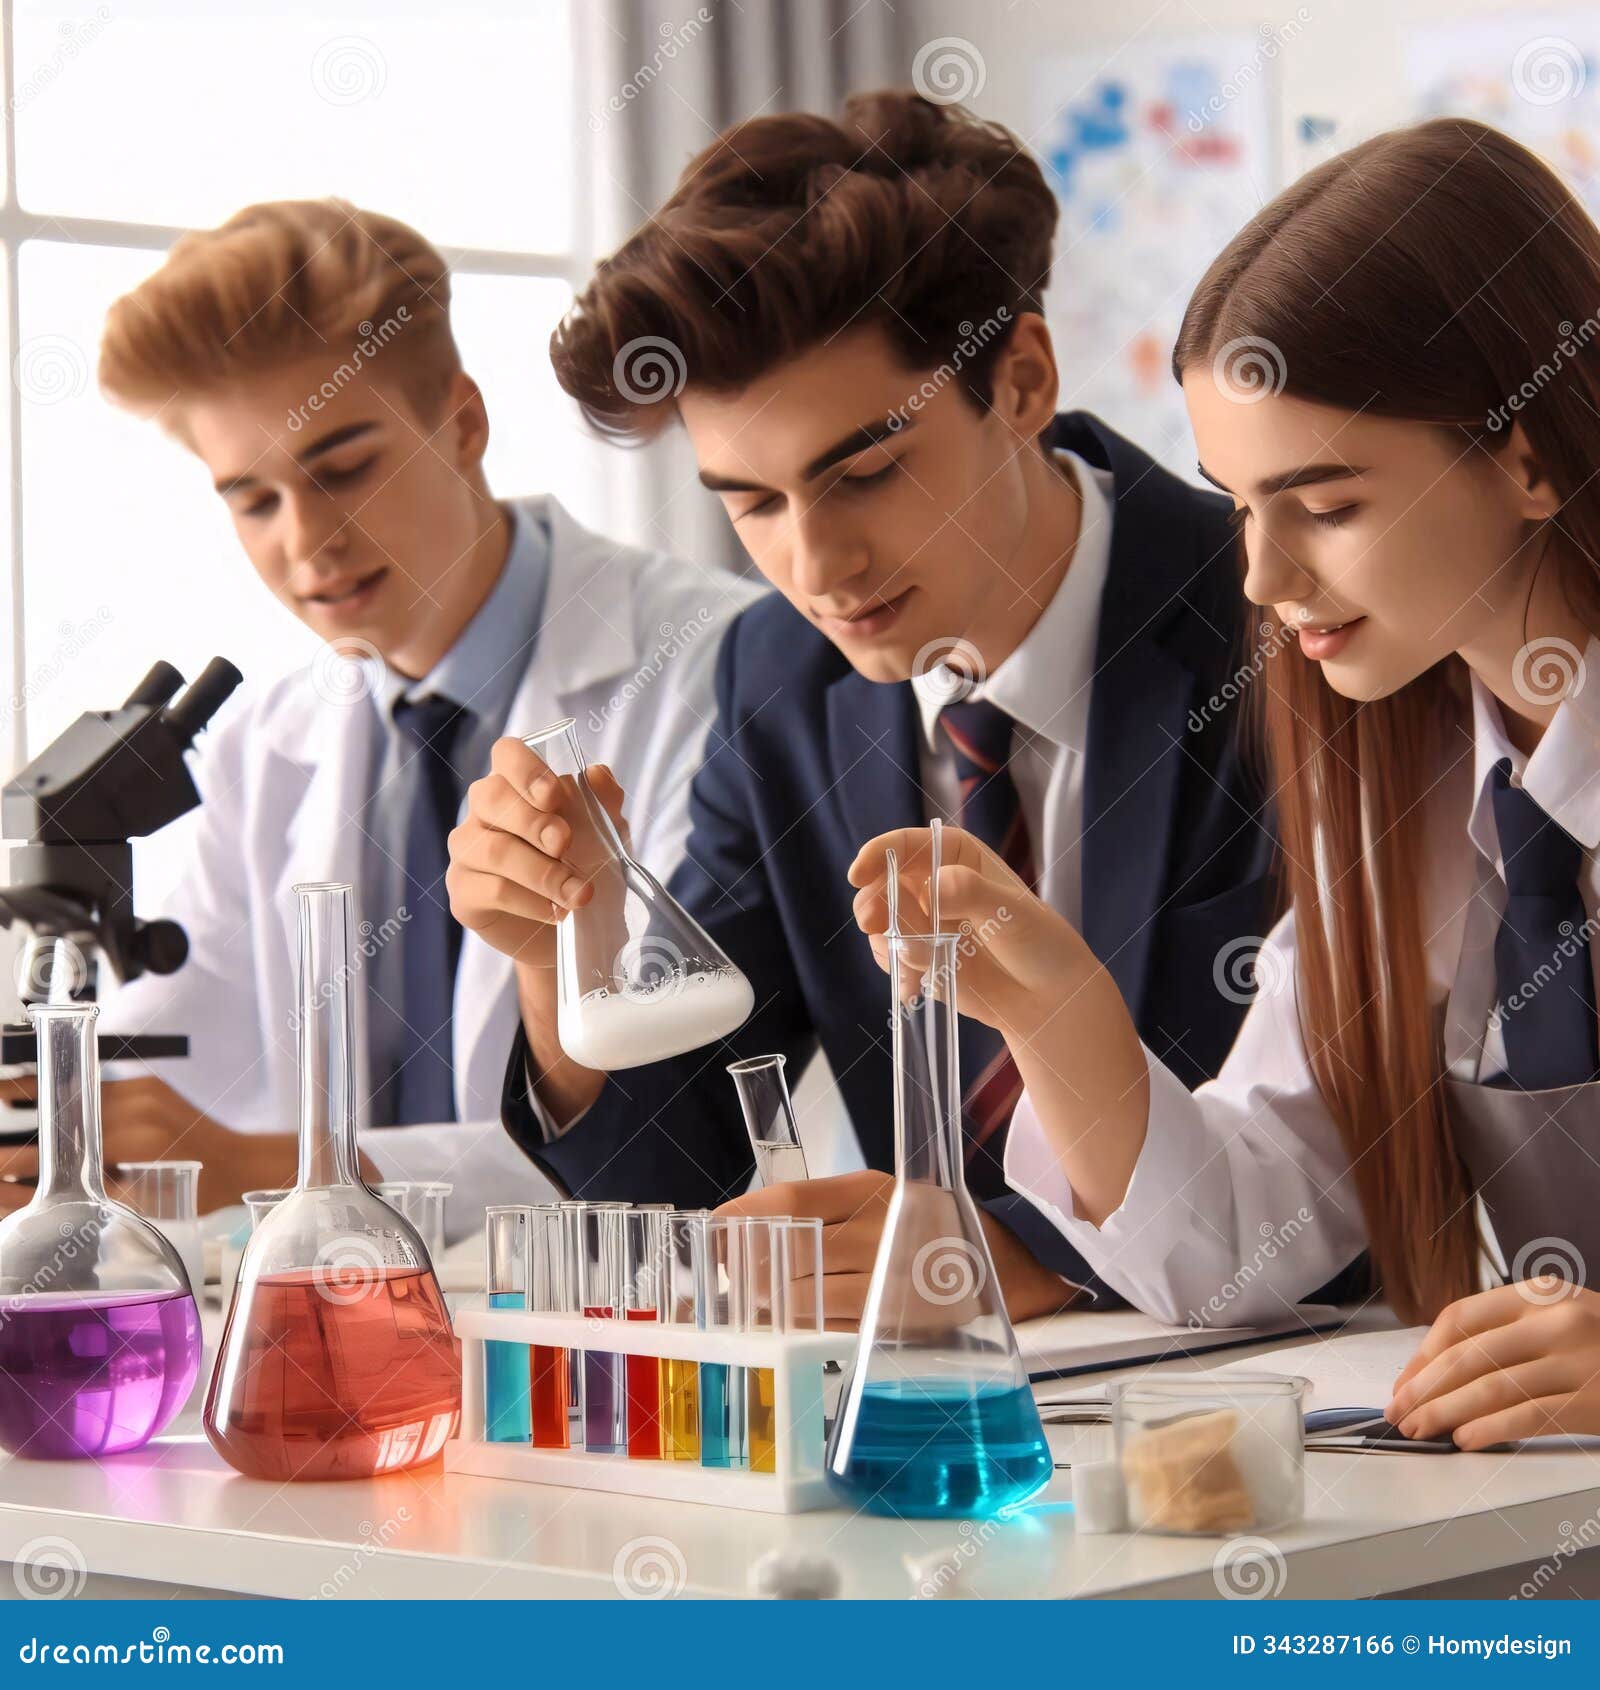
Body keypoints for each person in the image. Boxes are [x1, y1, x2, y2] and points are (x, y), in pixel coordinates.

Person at [450, 90, 1286, 1321]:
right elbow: (667, 1179)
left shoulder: (1275, 622)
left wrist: (1026, 1258)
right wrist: (558, 958)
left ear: (1020, 380)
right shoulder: (782, 677)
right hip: (934, 1405)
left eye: (867, 473)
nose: (815, 566)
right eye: (751, 502)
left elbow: (1356, 1156)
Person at [853, 117, 1600, 1444]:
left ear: (1529, 455)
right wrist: (1058, 1010)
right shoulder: (1416, 793)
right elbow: (1245, 1244)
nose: (1262, 575)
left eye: (1328, 505)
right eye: (1242, 504)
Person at [0, 199, 760, 1235]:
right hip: (367, 1309)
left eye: (345, 467)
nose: (306, 542)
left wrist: (293, 1169)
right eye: (253, 499)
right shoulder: (267, 742)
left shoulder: (714, 663)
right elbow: (184, 1046)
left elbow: (659, 1123)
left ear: (464, 422)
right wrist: (64, 1121)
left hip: (658, 1294)